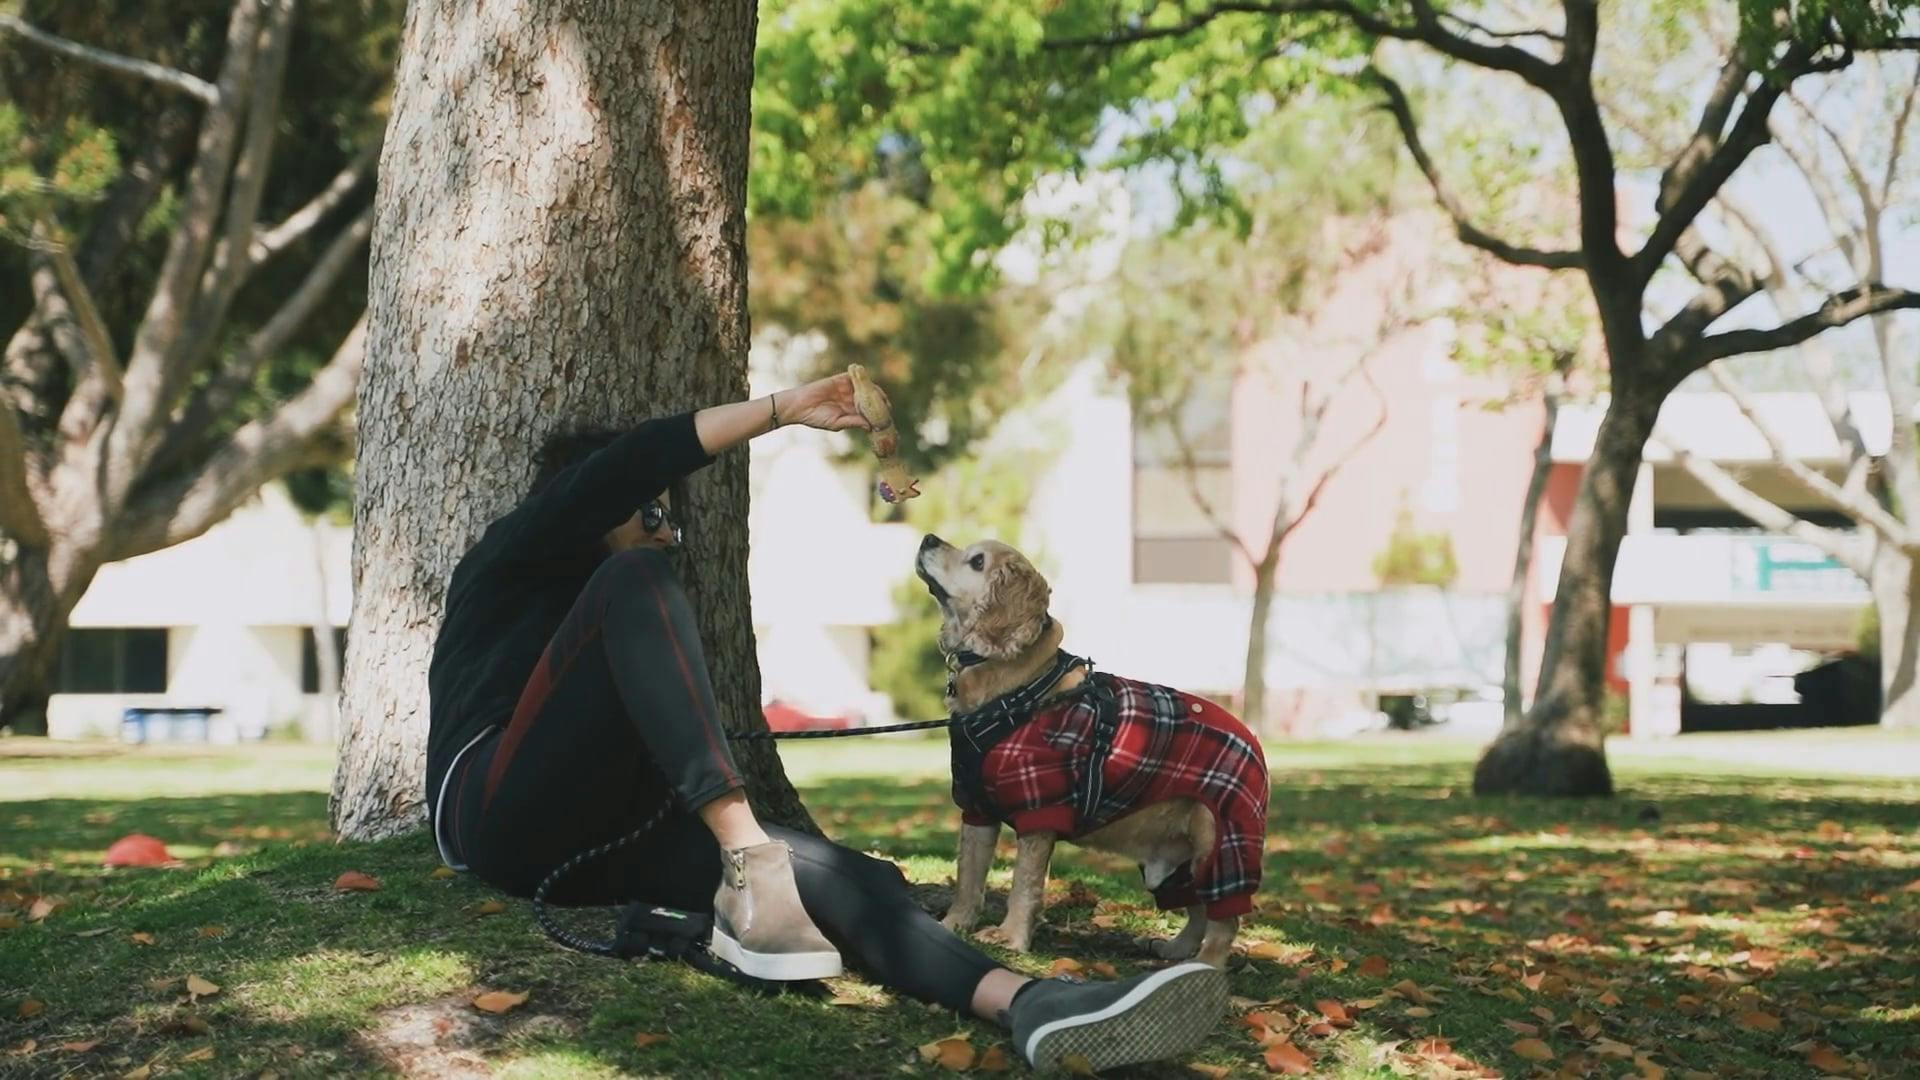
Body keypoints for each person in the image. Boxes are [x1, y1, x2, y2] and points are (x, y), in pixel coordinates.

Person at [424, 373, 1229, 1071]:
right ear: (582, 506)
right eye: (650, 512)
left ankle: (1029, 1005)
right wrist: (782, 409)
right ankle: (750, 859)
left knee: (859, 884)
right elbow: (632, 462)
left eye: (672, 517)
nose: (669, 532)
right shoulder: (512, 558)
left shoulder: (620, 610)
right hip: (493, 814)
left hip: (602, 840)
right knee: (638, 586)